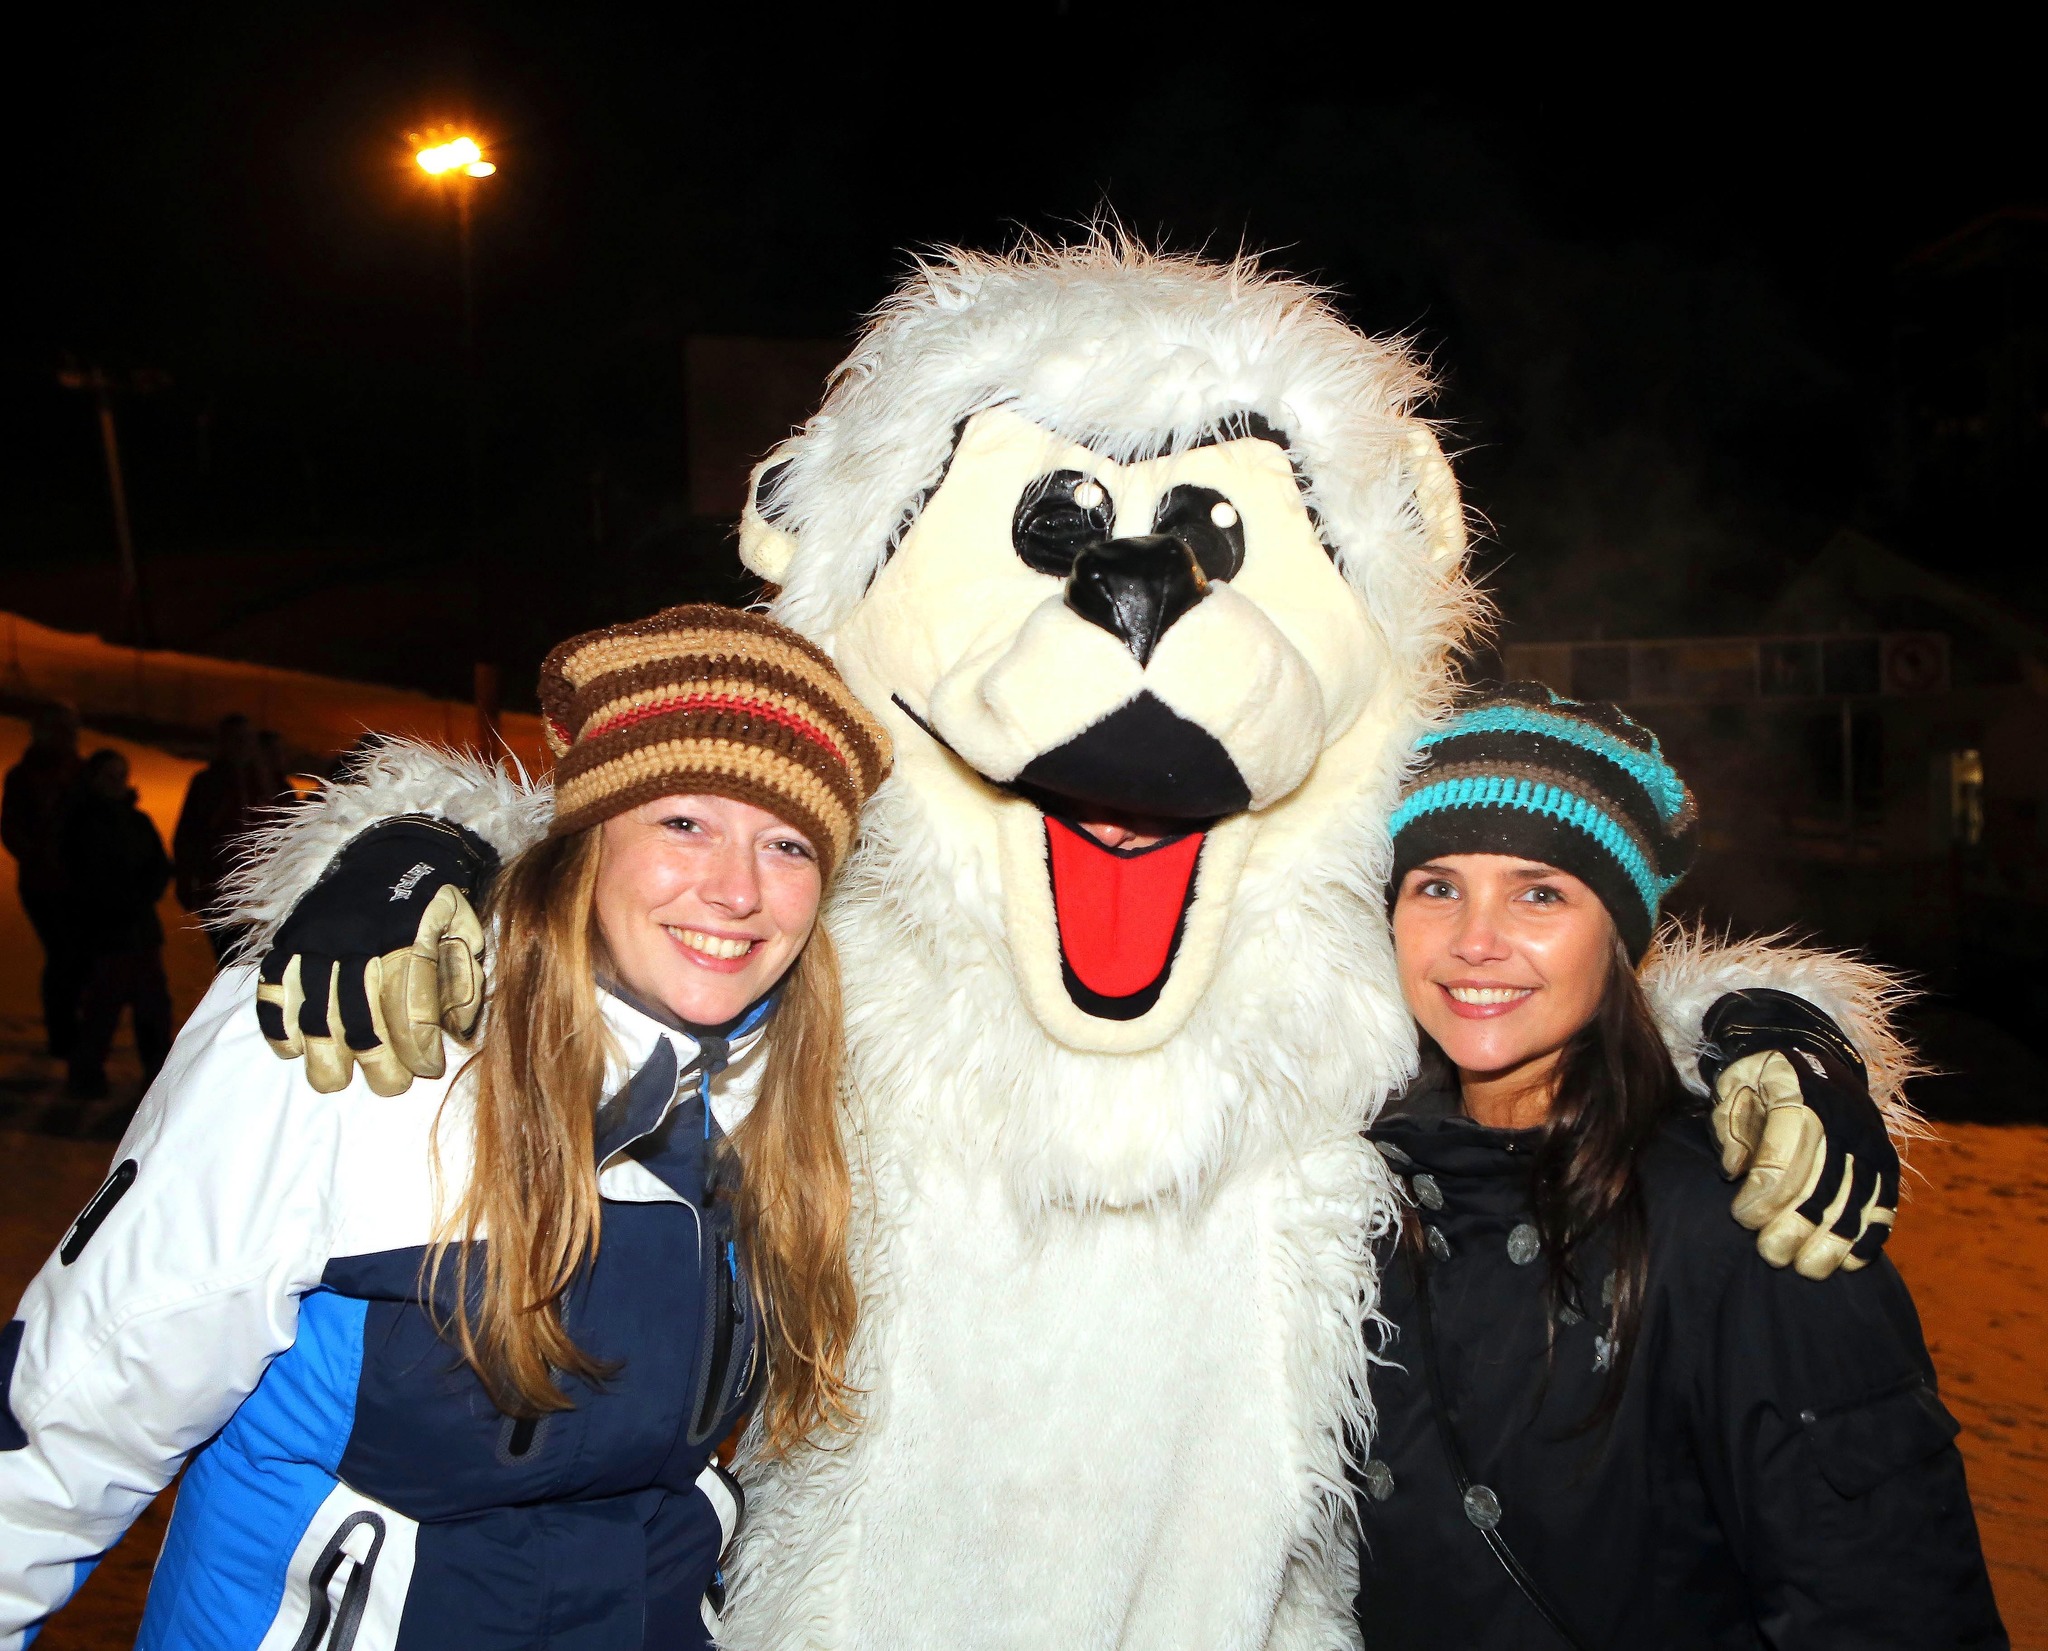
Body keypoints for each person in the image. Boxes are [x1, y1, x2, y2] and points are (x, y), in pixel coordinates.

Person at [0, 605, 891, 1649]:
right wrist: (429, 830)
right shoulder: (370, 1043)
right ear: (588, 837)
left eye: (786, 844)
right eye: (683, 821)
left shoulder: (789, 1099)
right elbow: (70, 1412)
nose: (736, 889)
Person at [1354, 685, 2004, 1650]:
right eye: (1437, 885)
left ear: (1619, 937)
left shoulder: (1744, 1211)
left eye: (1541, 891)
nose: (1474, 939)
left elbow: (1886, 1605)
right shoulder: (1338, 1203)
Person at [62, 748, 174, 1100]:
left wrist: (145, 893)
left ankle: (156, 1075)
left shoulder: (137, 821)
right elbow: (79, 875)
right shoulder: (79, 823)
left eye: (120, 775)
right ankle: (86, 1076)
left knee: (154, 1007)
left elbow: (159, 863)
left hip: (141, 929)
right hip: (104, 932)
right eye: (109, 776)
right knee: (102, 1009)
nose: (116, 783)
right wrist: (115, 902)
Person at [1, 703, 83, 1058]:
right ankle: (63, 1035)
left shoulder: (79, 771)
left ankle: (74, 1029)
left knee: (78, 957)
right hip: (44, 883)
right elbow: (12, 827)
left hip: (81, 882)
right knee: (64, 956)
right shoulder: (25, 775)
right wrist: (39, 856)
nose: (68, 736)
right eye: (60, 729)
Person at [174, 712, 285, 963]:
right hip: (221, 890)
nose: (241, 746)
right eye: (235, 739)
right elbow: (189, 834)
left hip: (263, 890)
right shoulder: (208, 783)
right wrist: (187, 881)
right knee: (230, 960)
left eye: (246, 739)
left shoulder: (268, 782)